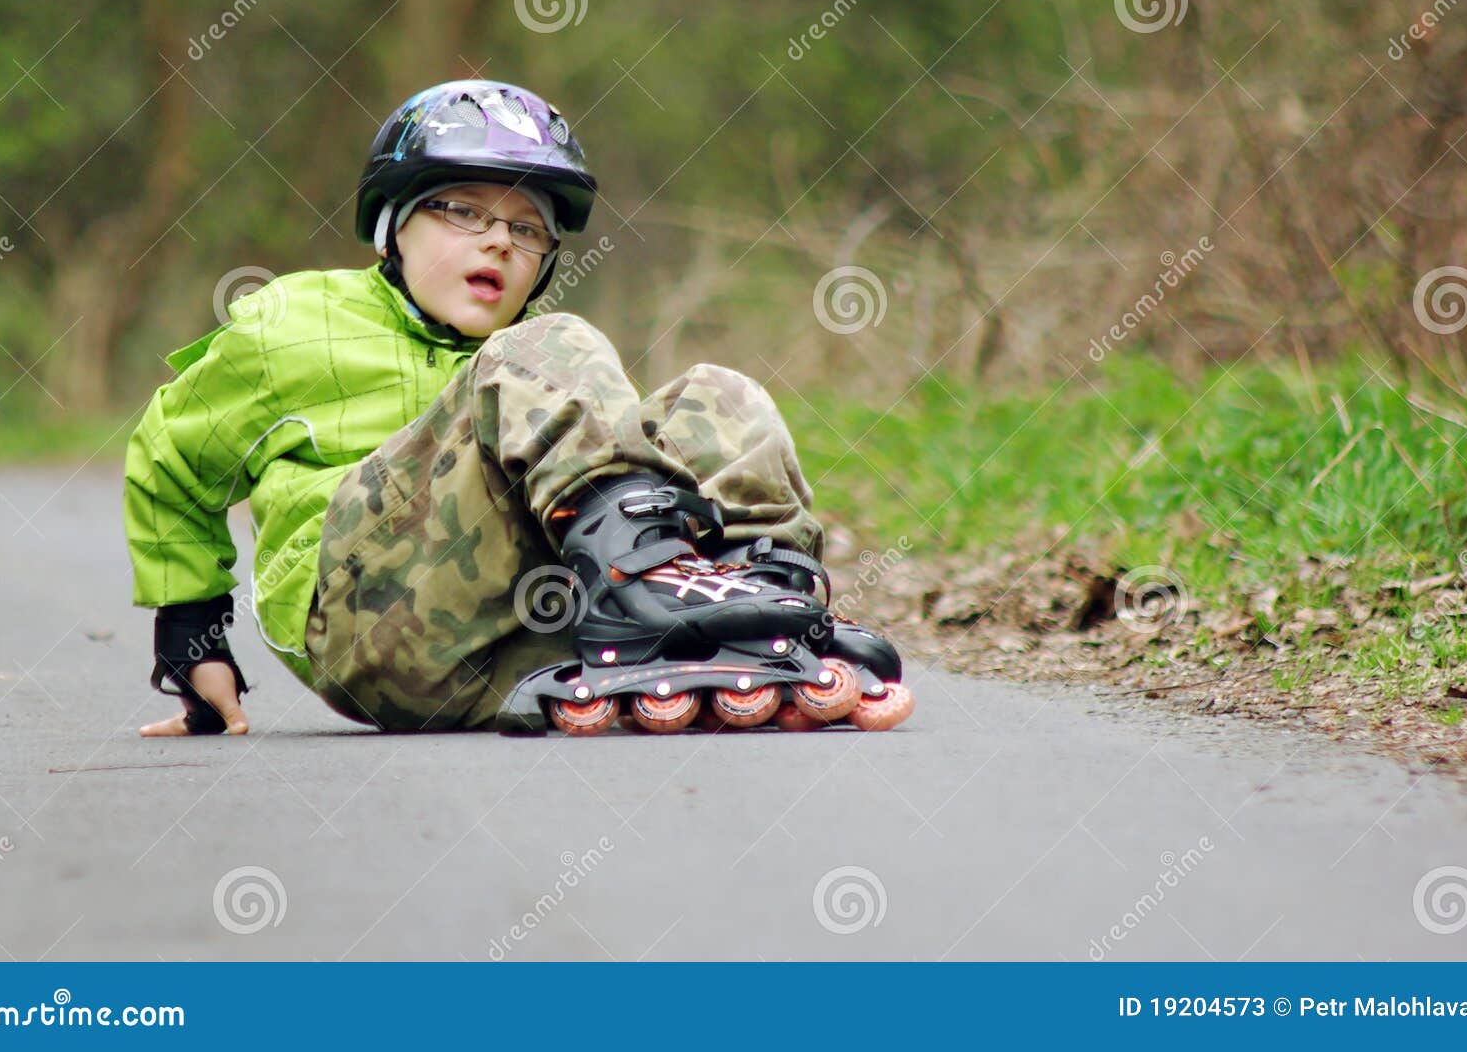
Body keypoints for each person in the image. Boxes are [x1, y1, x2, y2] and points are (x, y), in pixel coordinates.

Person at [124, 79, 909, 737]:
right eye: (463, 212)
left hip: (523, 629)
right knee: (543, 351)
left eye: (527, 229)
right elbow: (169, 456)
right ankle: (646, 581)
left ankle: (763, 608)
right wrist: (193, 638)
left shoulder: (534, 356)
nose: (498, 241)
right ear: (395, 225)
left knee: (717, 396)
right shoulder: (299, 323)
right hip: (369, 625)